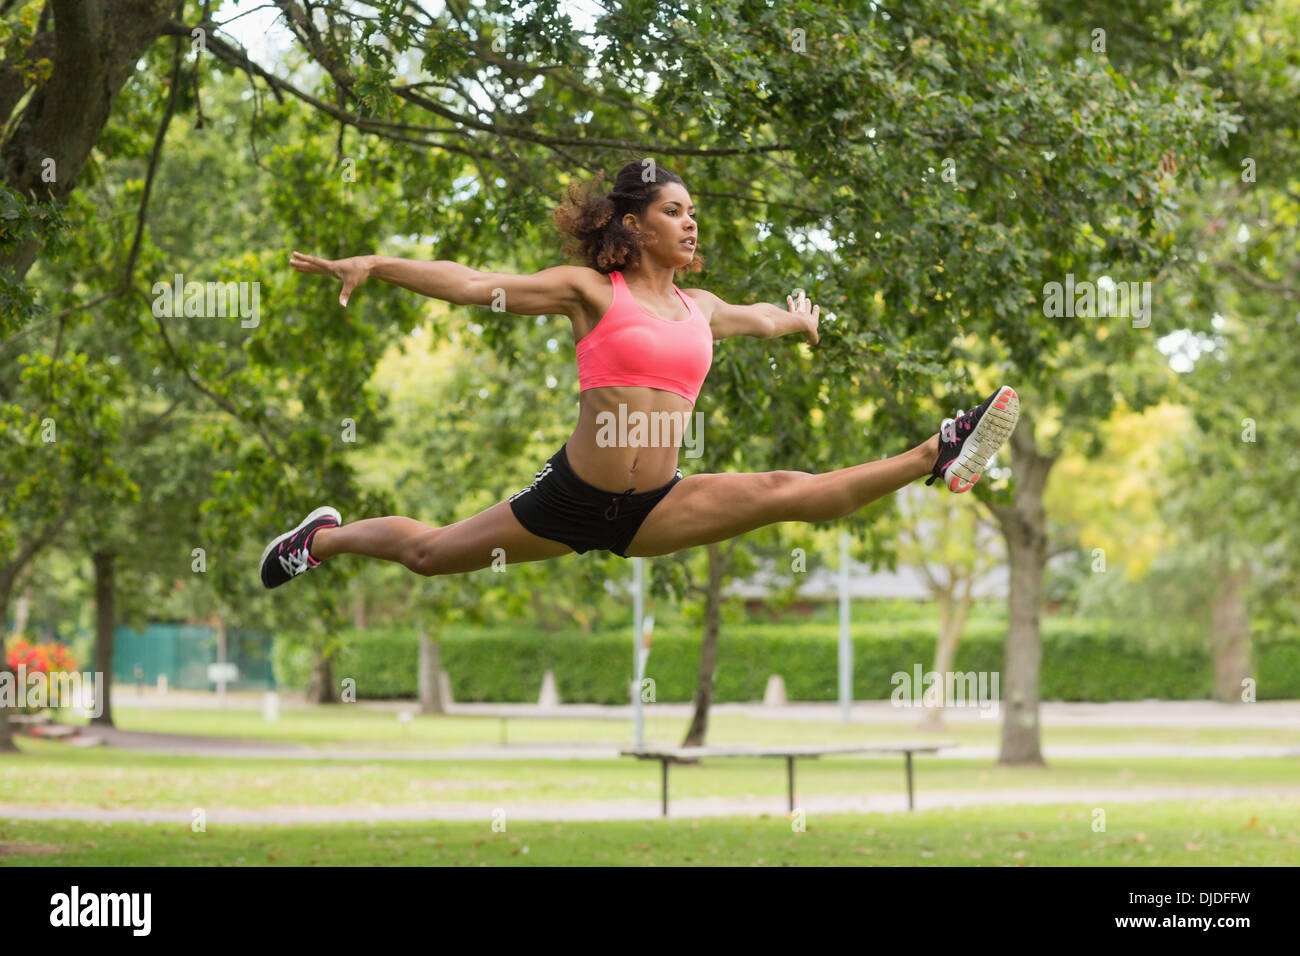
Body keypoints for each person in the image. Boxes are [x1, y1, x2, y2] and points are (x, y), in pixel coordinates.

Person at [260, 160, 1019, 589]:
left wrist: (799, 321)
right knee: (427, 556)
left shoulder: (702, 308)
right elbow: (469, 281)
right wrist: (377, 264)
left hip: (654, 507)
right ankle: (323, 539)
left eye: (693, 213)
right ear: (634, 225)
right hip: (570, 498)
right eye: (675, 211)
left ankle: (937, 451)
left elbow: (762, 316)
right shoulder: (590, 293)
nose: (691, 223)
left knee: (783, 493)